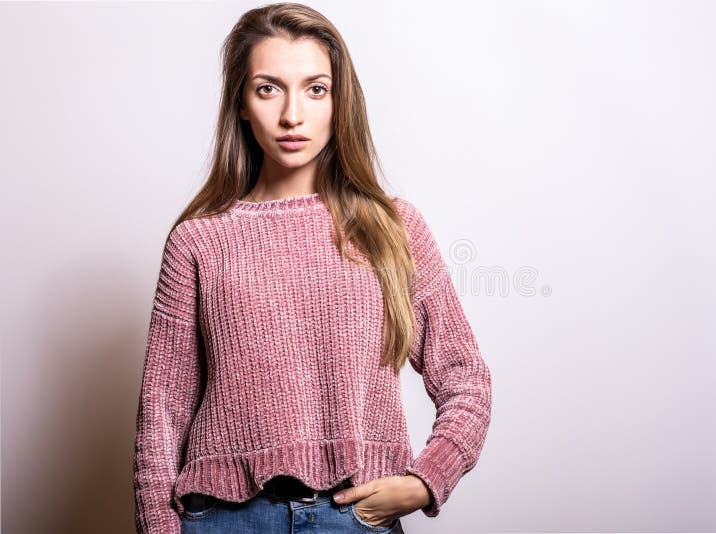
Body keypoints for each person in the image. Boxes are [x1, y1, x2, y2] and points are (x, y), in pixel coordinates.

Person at [132, 3, 492, 533]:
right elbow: (161, 415)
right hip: (225, 521)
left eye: (315, 89)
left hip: (354, 517)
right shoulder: (199, 241)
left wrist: (425, 480)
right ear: (241, 104)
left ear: (339, 102)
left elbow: (466, 378)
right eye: (269, 88)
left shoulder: (394, 228)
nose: (292, 115)